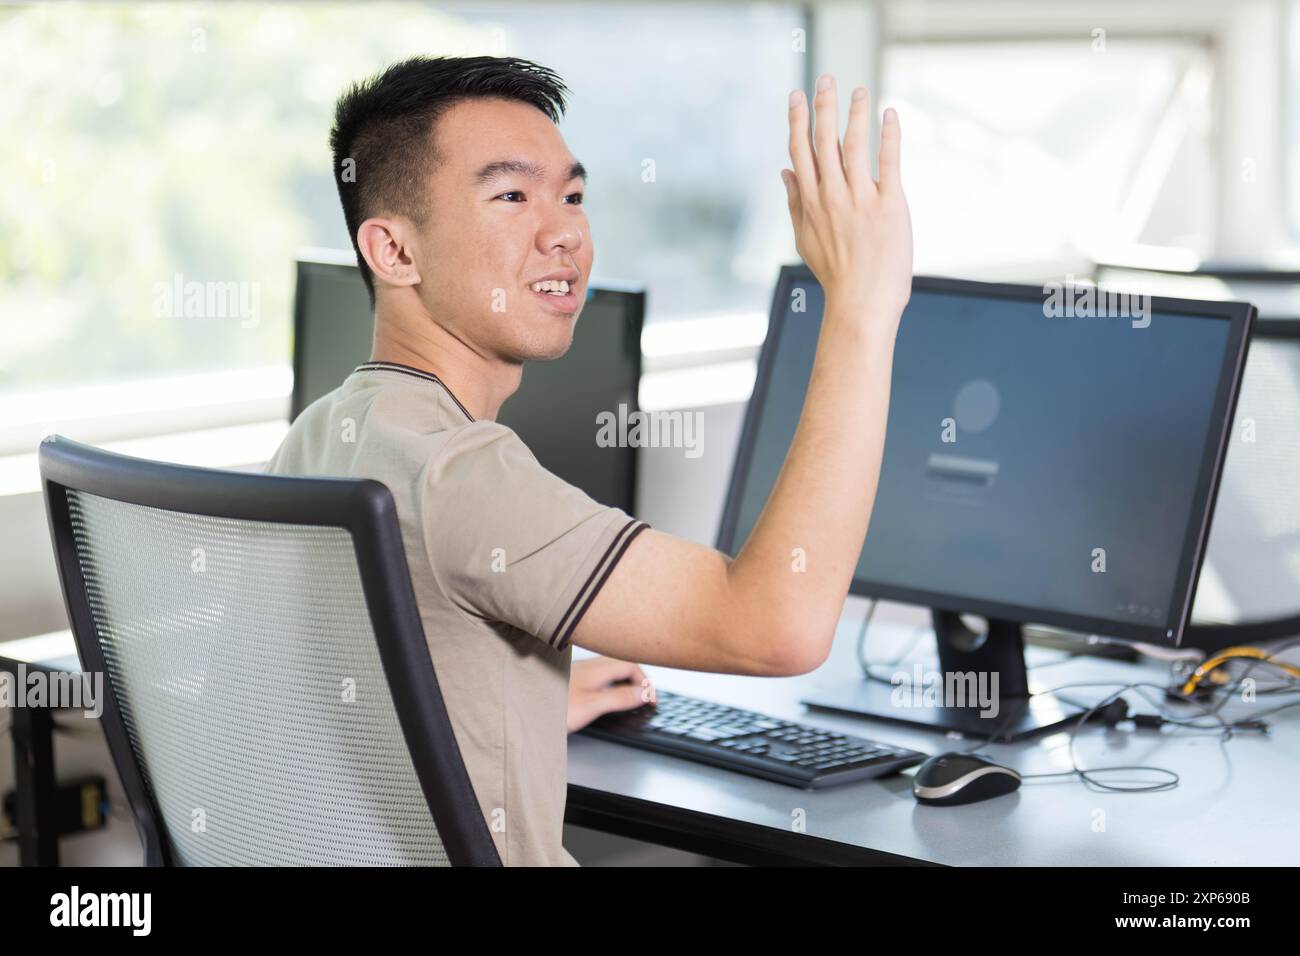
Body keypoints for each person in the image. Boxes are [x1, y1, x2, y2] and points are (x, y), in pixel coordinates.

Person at [265, 55, 912, 865]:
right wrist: (862, 304)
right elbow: (776, 627)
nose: (564, 231)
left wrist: (512, 706)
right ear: (393, 251)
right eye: (510, 196)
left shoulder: (321, 434)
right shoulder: (462, 473)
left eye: (572, 195)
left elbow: (340, 702)